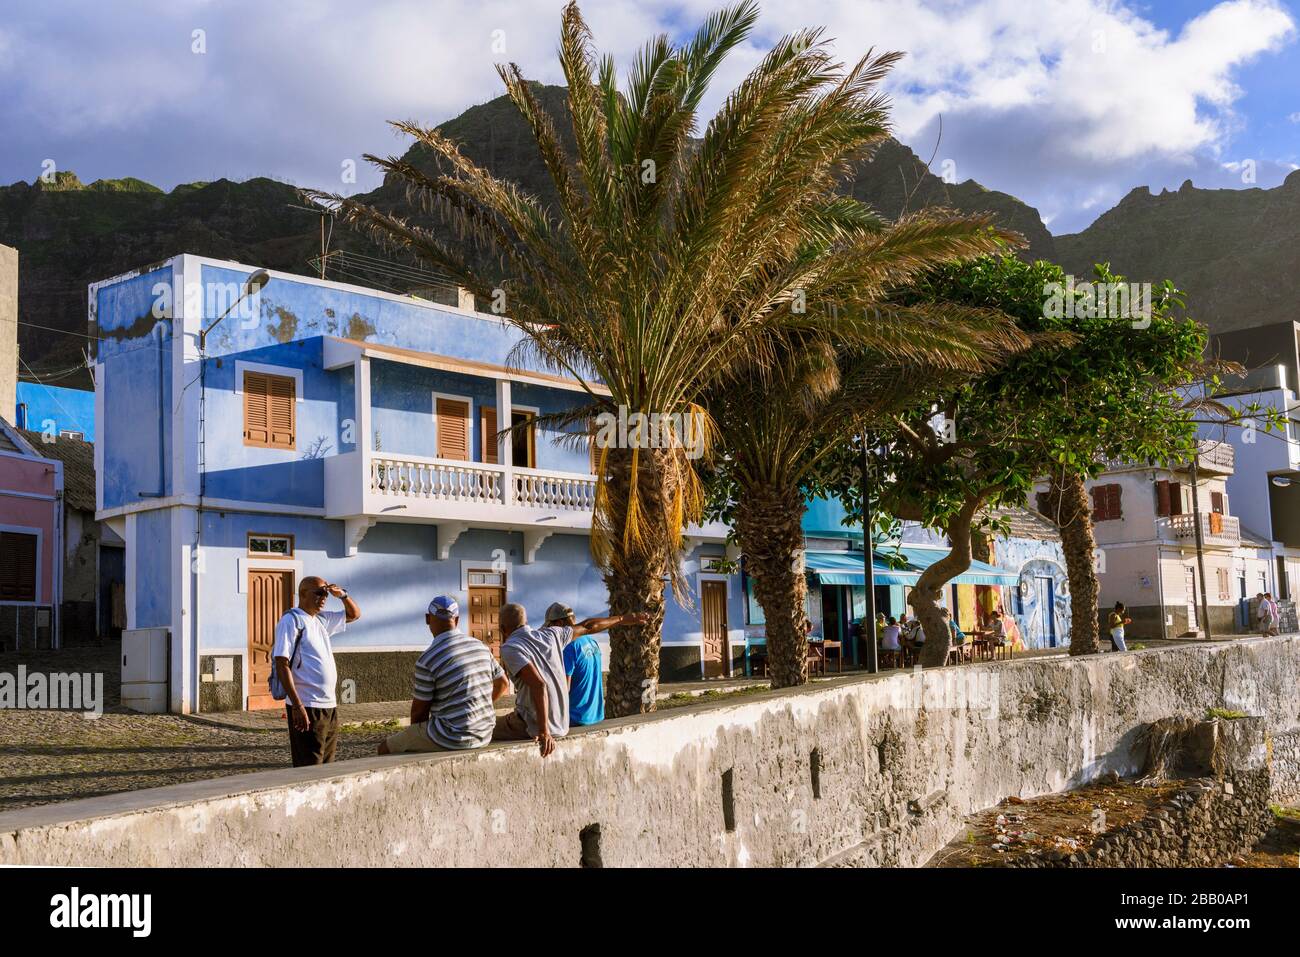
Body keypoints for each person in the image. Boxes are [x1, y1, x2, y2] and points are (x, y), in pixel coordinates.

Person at [495, 603, 648, 757]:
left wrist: (544, 732)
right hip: (563, 724)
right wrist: (623, 618)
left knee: (488, 726)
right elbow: (588, 626)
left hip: (532, 724)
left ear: (502, 629)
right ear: (526, 623)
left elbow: (539, 685)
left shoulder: (510, 647)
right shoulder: (552, 635)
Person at [379, 595, 511, 755]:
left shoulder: (428, 659)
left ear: (428, 619)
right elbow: (503, 683)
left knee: (385, 749)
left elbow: (419, 712)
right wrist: (477, 708)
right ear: (456, 620)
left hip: (452, 736)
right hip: (484, 734)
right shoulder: (480, 647)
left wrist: (417, 735)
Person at [272, 576, 361, 767]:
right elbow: (282, 663)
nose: (323, 598)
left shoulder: (321, 620)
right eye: (319, 593)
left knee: (326, 764)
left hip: (328, 704)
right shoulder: (292, 620)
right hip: (307, 704)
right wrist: (297, 706)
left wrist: (343, 595)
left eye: (326, 594)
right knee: (309, 765)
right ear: (303, 594)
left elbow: (354, 615)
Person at [553, 602, 606, 727]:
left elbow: (564, 689)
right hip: (596, 716)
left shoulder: (568, 647)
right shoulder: (591, 641)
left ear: (559, 624)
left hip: (575, 717)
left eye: (551, 627)